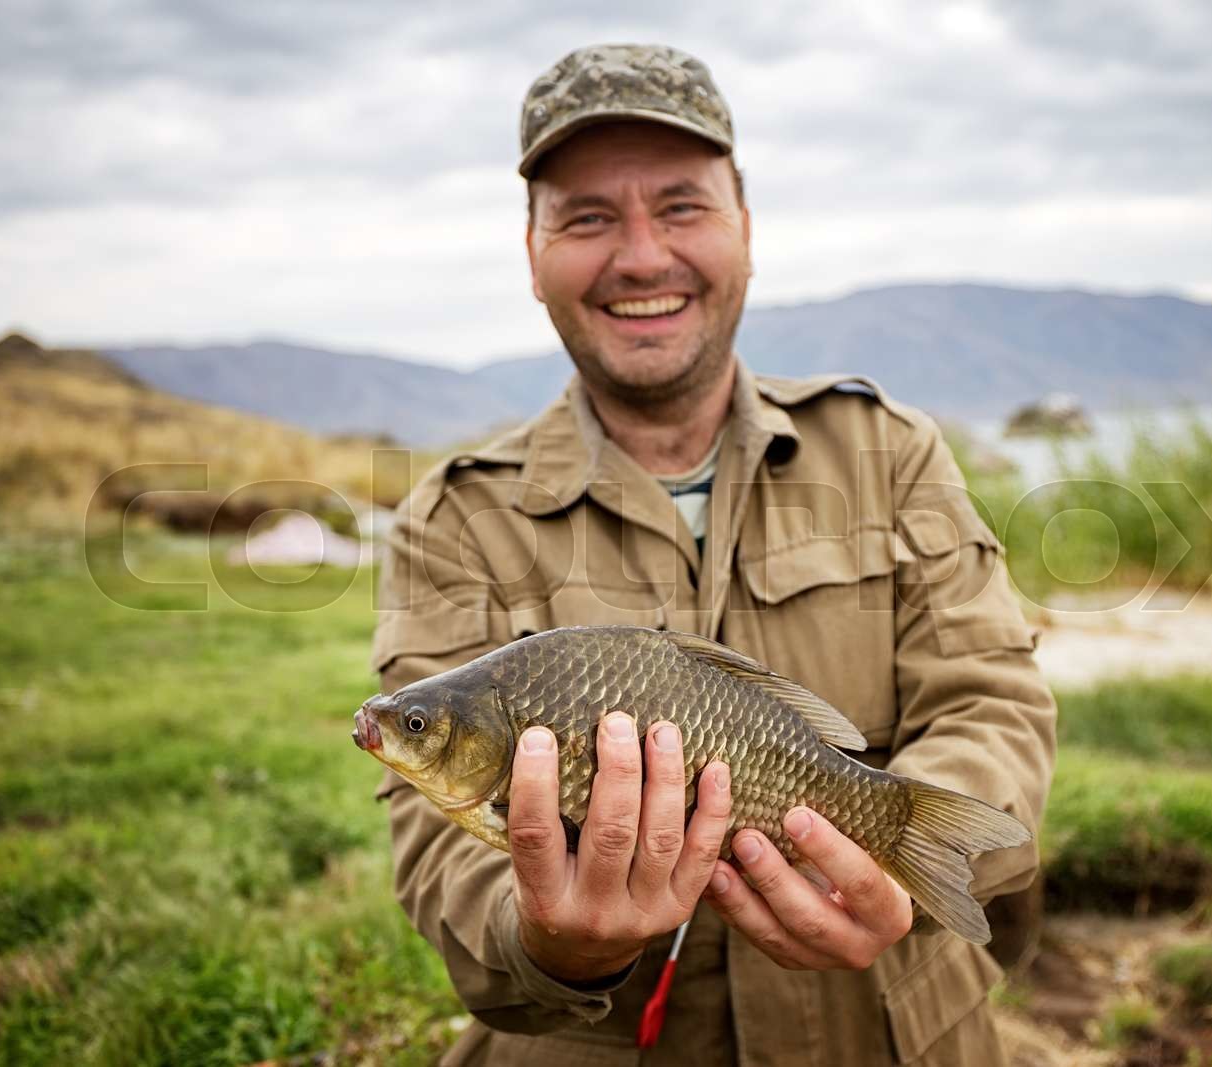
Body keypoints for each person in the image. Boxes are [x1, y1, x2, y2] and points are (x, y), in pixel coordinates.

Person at [372, 42, 1057, 1066]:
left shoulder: (889, 449)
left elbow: (992, 701)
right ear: (531, 252)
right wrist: (550, 942)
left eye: (682, 205)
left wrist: (888, 876)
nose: (641, 255)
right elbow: (437, 855)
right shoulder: (453, 516)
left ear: (745, 227)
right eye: (587, 216)